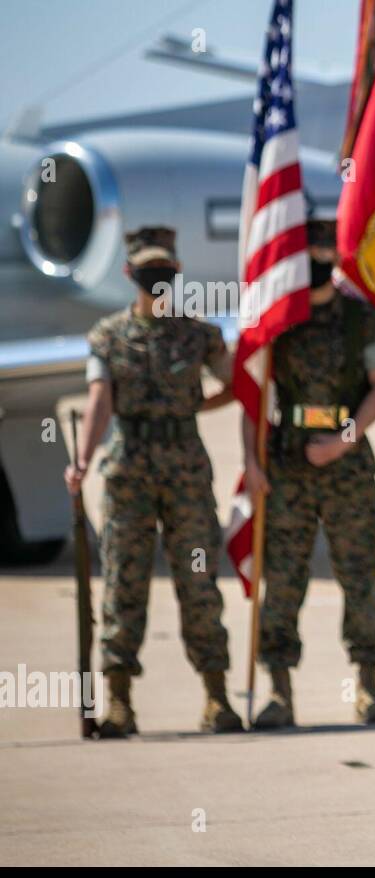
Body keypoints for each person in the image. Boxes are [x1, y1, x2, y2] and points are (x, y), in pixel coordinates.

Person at [65, 225, 242, 736]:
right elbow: (99, 403)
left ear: (178, 272)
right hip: (129, 469)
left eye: (165, 269)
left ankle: (216, 697)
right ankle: (119, 700)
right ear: (129, 273)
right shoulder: (108, 336)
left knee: (199, 581)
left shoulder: (199, 333)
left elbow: (235, 383)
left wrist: (193, 406)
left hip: (186, 467)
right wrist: (81, 461)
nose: (157, 277)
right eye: (148, 270)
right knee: (124, 581)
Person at [242, 218, 375, 728]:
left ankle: (368, 686)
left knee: (359, 575)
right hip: (287, 463)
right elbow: (252, 393)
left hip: (347, 463)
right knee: (283, 578)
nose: (316, 259)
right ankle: (279, 691)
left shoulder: (361, 319)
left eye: (324, 250)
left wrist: (343, 441)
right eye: (307, 250)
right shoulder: (276, 318)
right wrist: (251, 460)